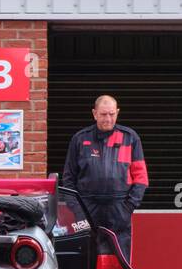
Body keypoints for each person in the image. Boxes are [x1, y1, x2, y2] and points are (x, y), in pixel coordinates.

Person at [62, 95, 148, 258]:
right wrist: (78, 210)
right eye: (103, 114)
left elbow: (141, 177)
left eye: (111, 114)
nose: (108, 119)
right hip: (87, 207)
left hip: (119, 207)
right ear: (94, 113)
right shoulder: (80, 139)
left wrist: (129, 207)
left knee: (119, 260)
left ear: (117, 113)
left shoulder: (130, 138)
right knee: (85, 258)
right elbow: (68, 180)